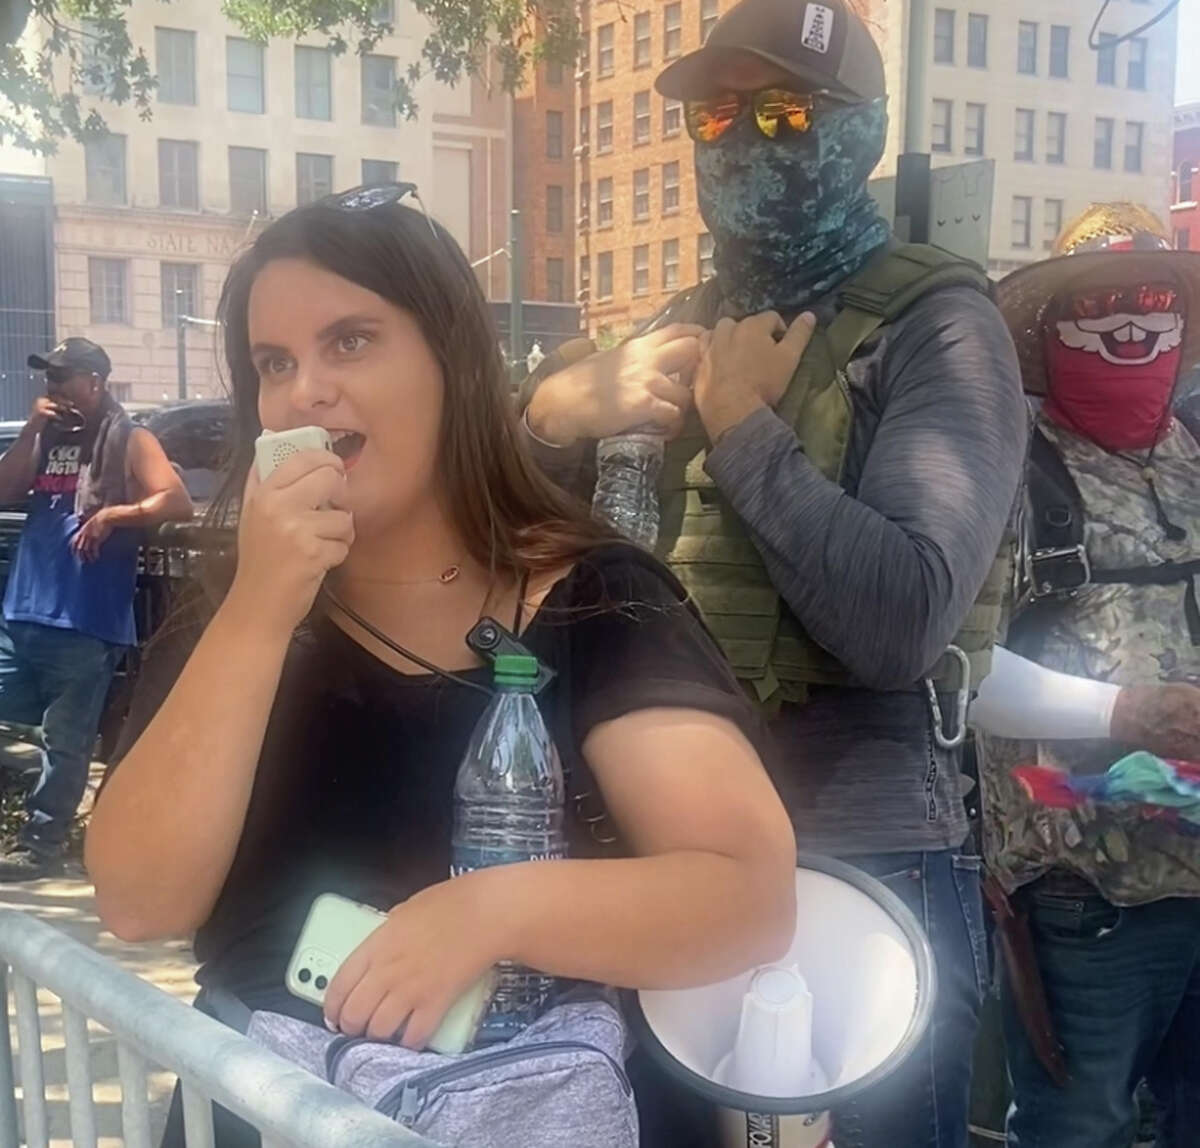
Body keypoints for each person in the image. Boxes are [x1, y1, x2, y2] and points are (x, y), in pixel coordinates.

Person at [84, 187, 799, 1146]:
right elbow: (138, 901)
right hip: (266, 1111)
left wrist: (492, 913)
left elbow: (747, 897)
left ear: (452, 365)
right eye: (274, 363)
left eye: (351, 341)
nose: (307, 391)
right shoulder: (236, 613)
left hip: (537, 1106)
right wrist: (258, 610)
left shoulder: (595, 598)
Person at [519, 1, 1027, 1144]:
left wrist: (739, 421)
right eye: (715, 115)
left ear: (864, 132)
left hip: (868, 850)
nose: (747, 142)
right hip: (667, 849)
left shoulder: (939, 325)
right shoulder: (672, 326)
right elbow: (551, 581)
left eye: (788, 110)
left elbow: (901, 621)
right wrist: (547, 419)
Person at [977, 202, 1200, 1148]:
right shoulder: (1002, 476)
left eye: (1153, 298)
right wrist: (1126, 711)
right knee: (1079, 1130)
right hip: (1082, 896)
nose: (1129, 321)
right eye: (1099, 301)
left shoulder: (1199, 459)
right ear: (1048, 329)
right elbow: (950, 670)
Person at [0, 338, 192, 880]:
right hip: (23, 612)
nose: (54, 388)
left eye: (64, 378)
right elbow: (4, 488)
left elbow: (174, 500)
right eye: (48, 379)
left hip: (84, 621)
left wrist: (114, 516)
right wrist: (34, 429)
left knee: (67, 742)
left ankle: (40, 846)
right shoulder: (46, 438)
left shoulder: (130, 439)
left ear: (96, 382)